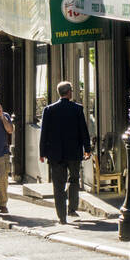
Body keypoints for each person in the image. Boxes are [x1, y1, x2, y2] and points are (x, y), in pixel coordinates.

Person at [39, 81, 92, 224]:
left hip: (55, 154)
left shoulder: (49, 110)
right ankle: (72, 208)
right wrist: (87, 149)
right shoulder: (77, 109)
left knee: (58, 185)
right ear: (69, 92)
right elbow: (83, 131)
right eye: (72, 91)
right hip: (73, 152)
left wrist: (42, 152)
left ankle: (62, 216)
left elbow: (44, 133)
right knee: (74, 180)